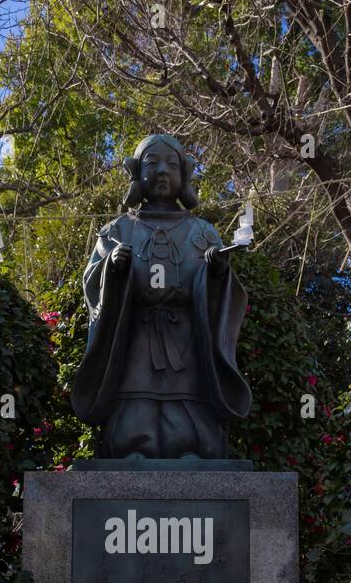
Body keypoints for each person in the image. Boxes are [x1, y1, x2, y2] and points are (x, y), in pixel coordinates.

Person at [71, 133, 251, 459]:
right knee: (133, 417)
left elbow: (223, 293)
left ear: (184, 174)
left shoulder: (203, 232)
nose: (162, 171)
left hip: (185, 337)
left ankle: (193, 446)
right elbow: (92, 282)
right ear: (137, 174)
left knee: (192, 422)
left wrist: (218, 273)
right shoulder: (117, 229)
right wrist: (112, 268)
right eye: (152, 164)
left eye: (171, 164)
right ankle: (131, 444)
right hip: (135, 337)